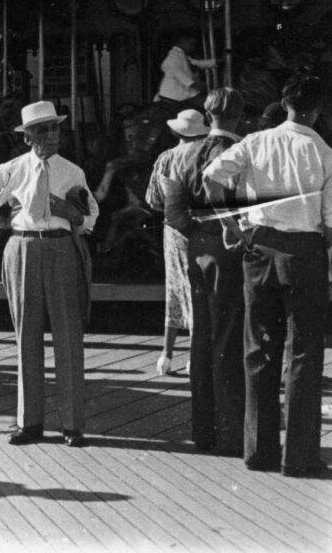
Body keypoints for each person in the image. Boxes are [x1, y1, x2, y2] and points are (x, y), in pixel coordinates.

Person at [203, 74, 332, 477]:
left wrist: (230, 223)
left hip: (258, 249)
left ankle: (258, 452)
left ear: (286, 103)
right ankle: (299, 457)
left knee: (258, 347)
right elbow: (330, 222)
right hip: (305, 251)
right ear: (317, 109)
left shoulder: (256, 142)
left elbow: (211, 176)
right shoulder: (324, 153)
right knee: (304, 352)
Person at [0, 101, 99, 447]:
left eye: (54, 129)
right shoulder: (11, 170)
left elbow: (92, 217)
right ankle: (30, 422)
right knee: (27, 334)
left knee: (68, 335)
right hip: (22, 247)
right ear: (27, 138)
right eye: (42, 130)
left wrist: (73, 214)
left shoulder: (73, 171)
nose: (51, 136)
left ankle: (72, 425)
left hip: (61, 246)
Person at [161, 88, 246, 456]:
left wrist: (196, 233)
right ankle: (230, 432)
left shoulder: (185, 154)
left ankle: (204, 430)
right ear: (239, 116)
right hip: (230, 246)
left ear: (208, 116)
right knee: (230, 337)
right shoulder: (240, 151)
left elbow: (173, 212)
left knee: (202, 336)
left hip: (197, 246)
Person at [145, 108, 209, 375]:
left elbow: (153, 200)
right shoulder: (205, 157)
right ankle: (196, 356)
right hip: (201, 228)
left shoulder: (166, 158)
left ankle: (166, 355)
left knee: (175, 289)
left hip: (173, 231)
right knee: (199, 290)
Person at [154, 33, 218, 111]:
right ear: (182, 41)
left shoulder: (180, 55)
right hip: (176, 94)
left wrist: (216, 62)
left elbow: (195, 63)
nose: (192, 47)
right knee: (211, 105)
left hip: (181, 91)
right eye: (191, 44)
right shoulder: (173, 57)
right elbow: (180, 75)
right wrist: (195, 85)